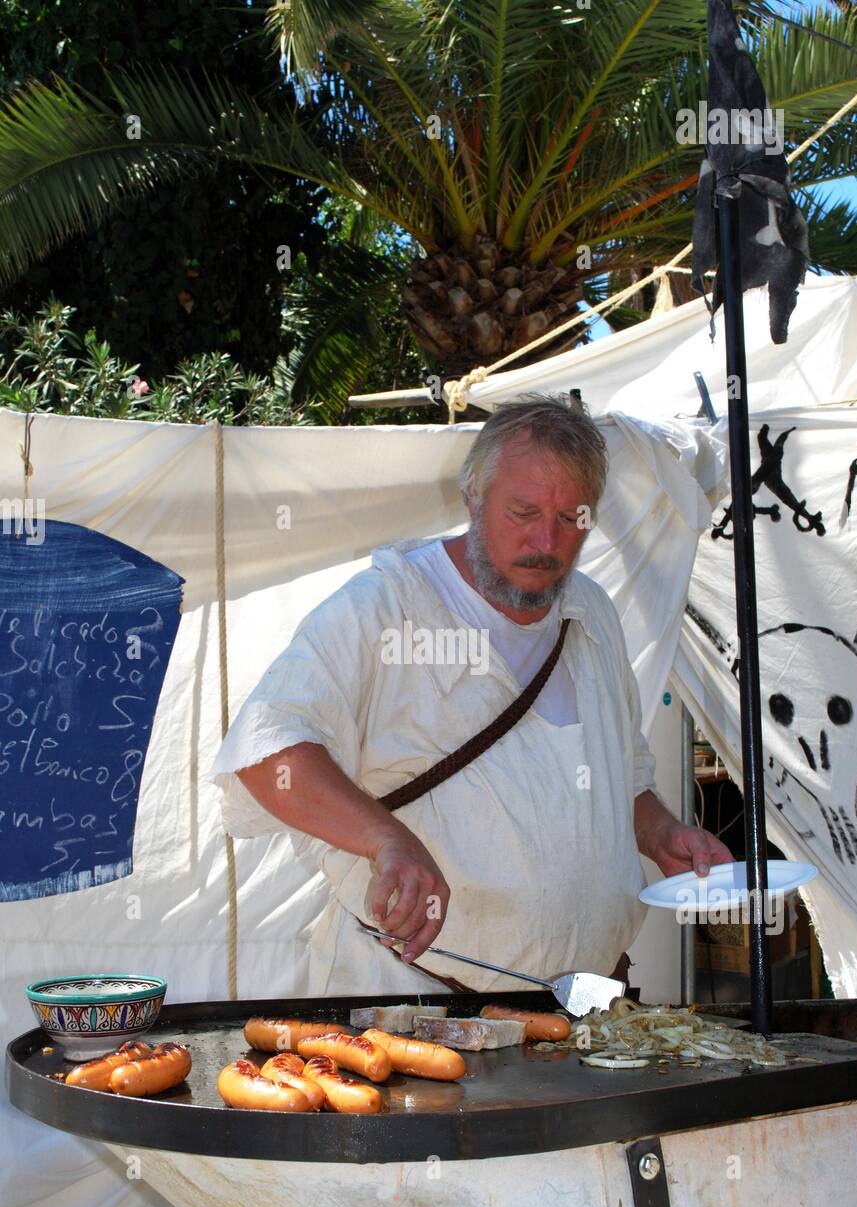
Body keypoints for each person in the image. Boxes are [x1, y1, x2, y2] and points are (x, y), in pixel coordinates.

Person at [208, 394, 731, 995]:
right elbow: (266, 750)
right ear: (473, 498)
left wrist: (664, 834)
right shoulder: (386, 607)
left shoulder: (590, 614)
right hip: (417, 1009)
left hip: (585, 1011)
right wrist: (386, 840)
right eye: (524, 511)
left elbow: (621, 777)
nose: (546, 541)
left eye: (571, 519)